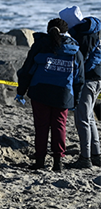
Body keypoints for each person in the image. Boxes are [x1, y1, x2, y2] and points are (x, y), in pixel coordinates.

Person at [16, 17, 85, 173]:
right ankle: (58, 162)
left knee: (41, 127)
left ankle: (40, 160)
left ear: (48, 30)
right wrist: (76, 100)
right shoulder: (74, 50)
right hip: (63, 94)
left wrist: (21, 92)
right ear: (67, 32)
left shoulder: (40, 45)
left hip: (39, 91)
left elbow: (27, 69)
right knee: (59, 127)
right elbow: (79, 79)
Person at [59, 6, 101, 168]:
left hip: (88, 80)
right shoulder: (91, 30)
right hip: (97, 78)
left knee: (82, 119)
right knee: (89, 117)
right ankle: (95, 154)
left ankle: (85, 158)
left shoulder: (84, 36)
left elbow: (80, 61)